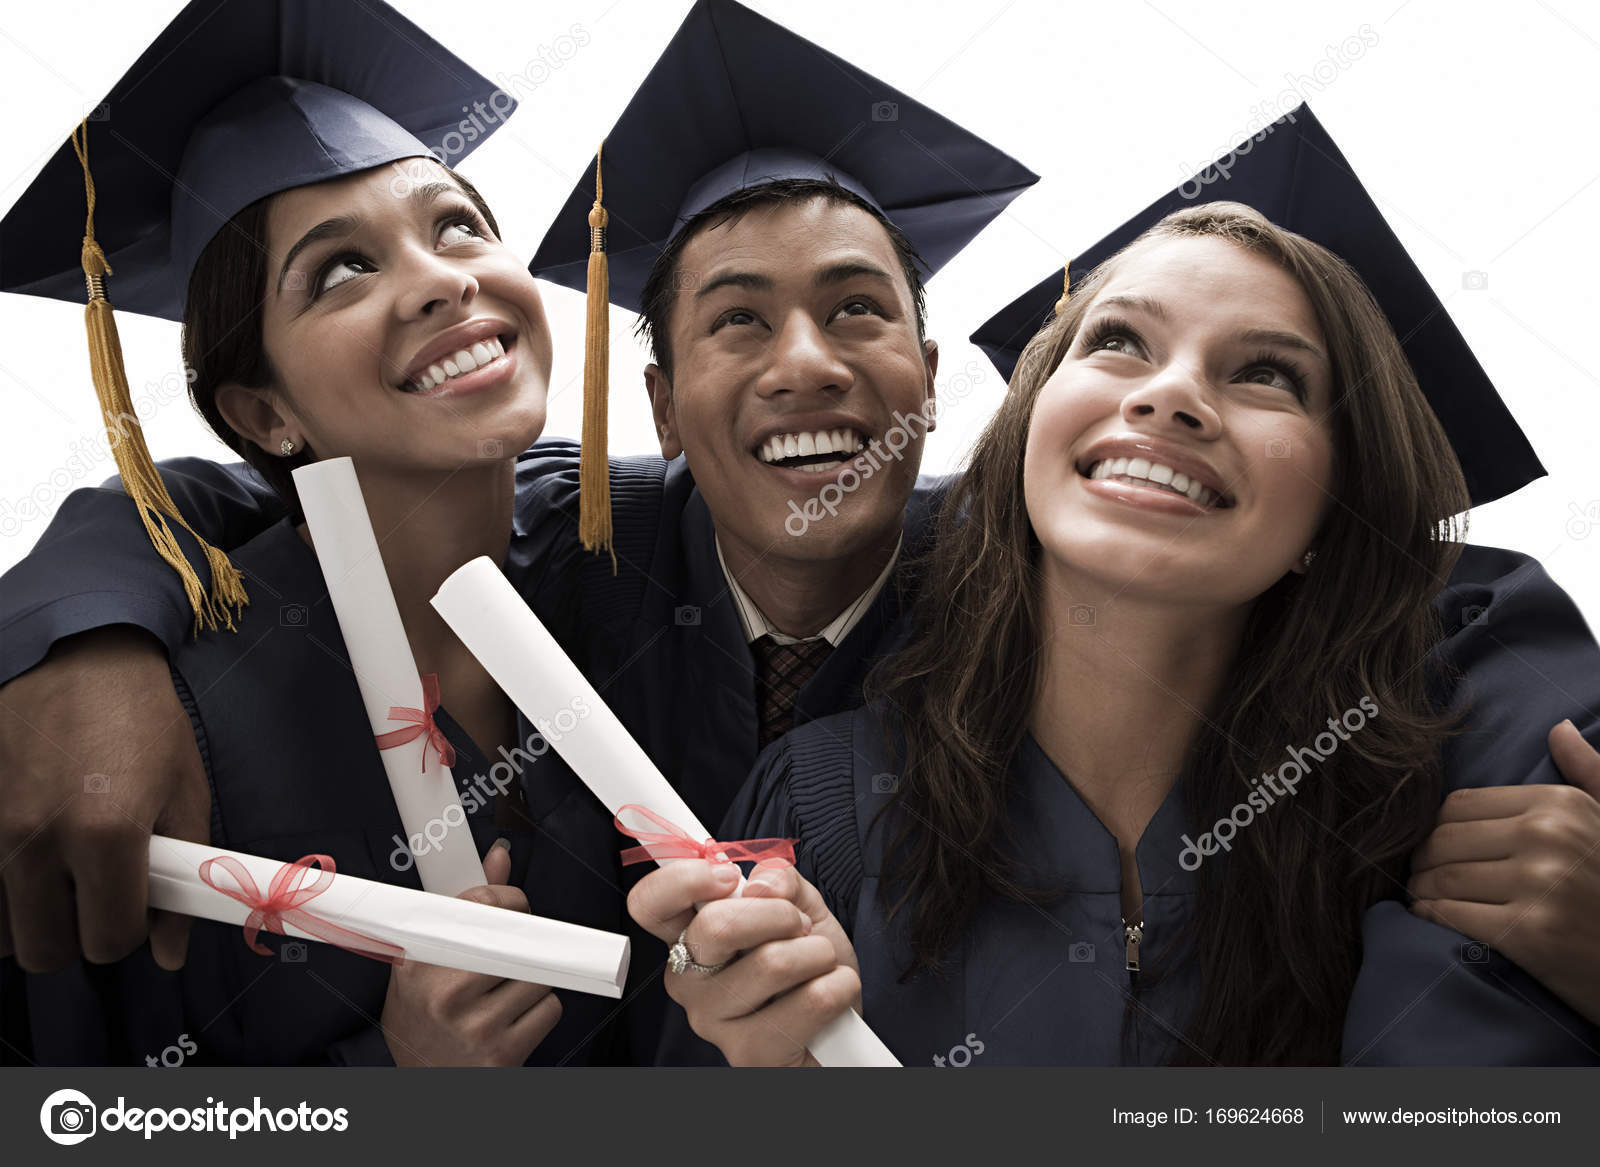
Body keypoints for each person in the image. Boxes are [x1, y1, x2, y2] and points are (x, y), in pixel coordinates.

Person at [630, 199, 1600, 1066]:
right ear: (1027, 430)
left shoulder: (1445, 789)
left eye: (1265, 373)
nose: (1169, 394)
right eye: (1120, 342)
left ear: (1331, 512)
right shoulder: (816, 806)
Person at [0, 0, 617, 1066]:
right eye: (340, 270)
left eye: (456, 224)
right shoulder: (165, 735)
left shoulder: (630, 555)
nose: (440, 280)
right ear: (263, 414)